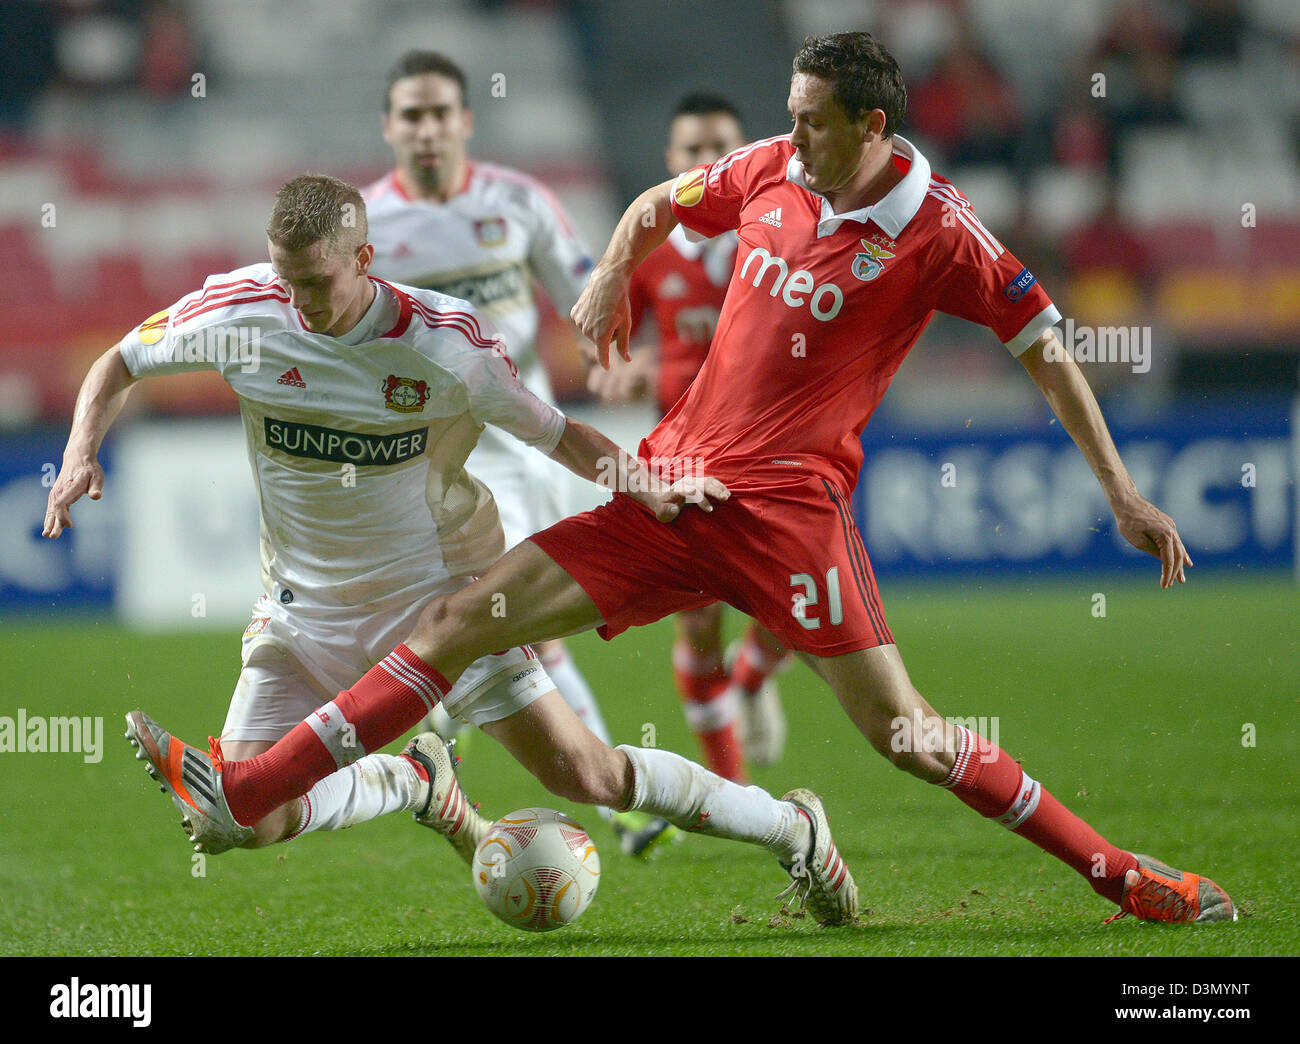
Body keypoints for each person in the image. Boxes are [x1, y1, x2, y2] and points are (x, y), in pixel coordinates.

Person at [124, 32, 1236, 926]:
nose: (786, 136)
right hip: (665, 494)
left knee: (910, 740)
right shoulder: (771, 169)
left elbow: (1044, 346)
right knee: (462, 616)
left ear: (873, 126)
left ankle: (1118, 875)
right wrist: (611, 273)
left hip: (789, 522)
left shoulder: (939, 233)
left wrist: (1121, 494)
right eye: (788, 113)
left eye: (809, 120)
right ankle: (257, 787)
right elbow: (660, 205)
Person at [46, 174, 712, 867]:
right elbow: (119, 361)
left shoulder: (442, 341)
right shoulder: (242, 313)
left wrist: (648, 487)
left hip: (434, 601)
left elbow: (561, 433)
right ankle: (415, 782)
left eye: (314, 281)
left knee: (585, 775)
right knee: (242, 822)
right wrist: (77, 454)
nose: (298, 302)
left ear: (363, 260)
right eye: (285, 278)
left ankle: (780, 824)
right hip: (302, 613)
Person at [362, 49, 674, 855]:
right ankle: (614, 798)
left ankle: (447, 733)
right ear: (389, 126)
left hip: (530, 443)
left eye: (440, 113)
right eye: (411, 114)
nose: (427, 129)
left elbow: (585, 285)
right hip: (429, 456)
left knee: (528, 629)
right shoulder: (365, 226)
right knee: (494, 619)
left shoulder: (517, 202)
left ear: (466, 120)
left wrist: (613, 347)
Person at [589, 92, 789, 780]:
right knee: (699, 620)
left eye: (720, 148)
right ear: (671, 164)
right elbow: (607, 340)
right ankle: (735, 789)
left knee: (794, 608)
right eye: (692, 151)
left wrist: (662, 361)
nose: (707, 160)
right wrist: (616, 366)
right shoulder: (645, 254)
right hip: (690, 454)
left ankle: (755, 677)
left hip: (778, 444)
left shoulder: (780, 236)